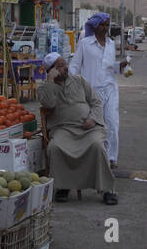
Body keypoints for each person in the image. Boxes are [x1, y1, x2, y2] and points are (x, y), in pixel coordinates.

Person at [38, 53, 117, 205]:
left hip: (88, 128)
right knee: (54, 147)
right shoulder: (44, 87)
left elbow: (96, 102)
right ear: (51, 70)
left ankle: (108, 189)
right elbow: (48, 103)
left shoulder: (79, 80)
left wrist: (93, 118)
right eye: (60, 66)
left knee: (97, 146)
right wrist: (50, 80)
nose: (65, 67)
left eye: (64, 64)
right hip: (63, 130)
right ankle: (63, 186)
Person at [68, 12, 127, 168]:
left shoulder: (111, 44)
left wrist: (119, 66)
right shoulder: (85, 43)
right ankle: (92, 156)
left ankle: (111, 157)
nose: (104, 28)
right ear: (94, 25)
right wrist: (69, 83)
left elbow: (109, 67)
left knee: (112, 123)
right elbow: (74, 65)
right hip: (91, 92)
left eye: (107, 25)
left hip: (110, 89)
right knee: (92, 126)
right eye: (102, 25)